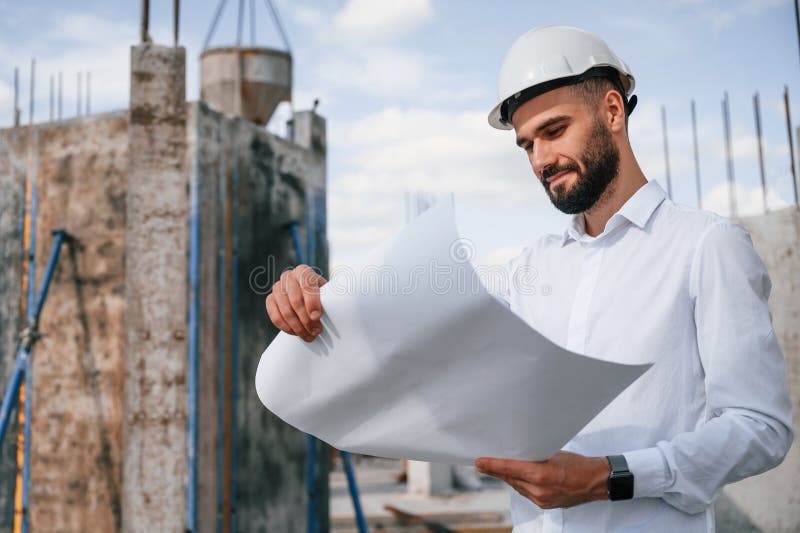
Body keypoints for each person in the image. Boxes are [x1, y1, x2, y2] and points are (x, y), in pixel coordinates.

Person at [265, 25, 793, 532]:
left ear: (612, 110)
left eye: (554, 131)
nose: (541, 158)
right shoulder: (528, 270)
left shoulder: (705, 246)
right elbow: (411, 324)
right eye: (526, 145)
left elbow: (761, 426)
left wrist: (610, 477)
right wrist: (318, 292)